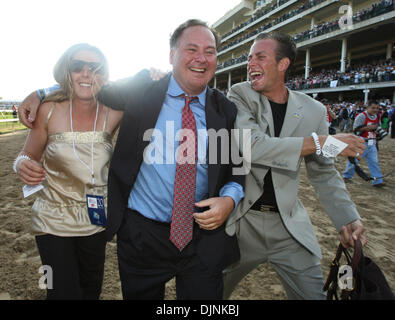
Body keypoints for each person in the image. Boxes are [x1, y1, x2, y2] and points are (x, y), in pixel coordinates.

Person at [18, 19, 245, 300]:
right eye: (191, 49)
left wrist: (230, 199)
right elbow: (88, 86)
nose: (201, 58)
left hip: (202, 236)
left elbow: (238, 166)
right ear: (172, 55)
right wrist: (40, 93)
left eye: (209, 51)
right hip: (141, 237)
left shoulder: (227, 109)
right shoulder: (141, 90)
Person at [223, 31, 367, 300]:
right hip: (241, 223)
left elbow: (324, 170)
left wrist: (347, 217)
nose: (250, 63)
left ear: (283, 64)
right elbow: (253, 147)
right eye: (249, 58)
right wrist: (323, 141)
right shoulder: (239, 94)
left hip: (289, 227)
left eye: (260, 57)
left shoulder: (314, 110)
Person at [13, 43, 123, 299]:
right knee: (60, 292)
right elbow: (27, 154)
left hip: (95, 220)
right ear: (66, 71)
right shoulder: (47, 110)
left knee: (89, 291)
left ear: (104, 75)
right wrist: (21, 164)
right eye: (77, 67)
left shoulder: (115, 112)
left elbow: (143, 93)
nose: (86, 73)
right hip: (52, 220)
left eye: (95, 68)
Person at [343, 101, 385, 187]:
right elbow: (355, 129)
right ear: (367, 108)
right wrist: (368, 128)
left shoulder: (377, 116)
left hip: (372, 143)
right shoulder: (362, 116)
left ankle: (377, 180)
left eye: (377, 108)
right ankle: (346, 176)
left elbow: (378, 128)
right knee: (354, 161)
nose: (375, 110)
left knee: (374, 162)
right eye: (373, 108)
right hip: (361, 142)